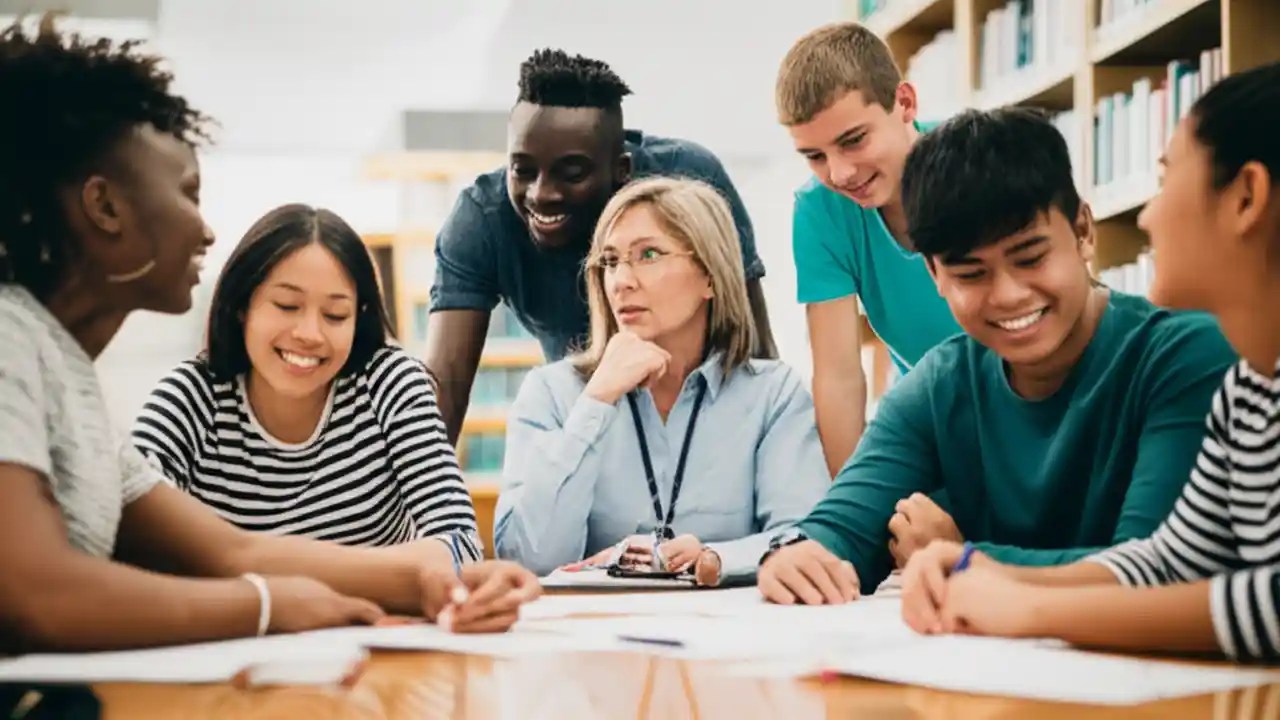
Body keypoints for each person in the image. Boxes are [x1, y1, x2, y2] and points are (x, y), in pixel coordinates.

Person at [0, 17, 536, 653]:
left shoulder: (67, 379)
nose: (205, 229)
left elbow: (233, 550)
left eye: (335, 314)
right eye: (188, 192)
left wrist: (430, 581)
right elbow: (37, 596)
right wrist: (266, 606)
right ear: (105, 206)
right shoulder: (11, 338)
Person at [757, 106, 1237, 606]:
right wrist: (796, 556)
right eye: (971, 274)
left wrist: (967, 558)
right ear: (935, 275)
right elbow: (836, 532)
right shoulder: (938, 384)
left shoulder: (1182, 359)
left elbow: (1153, 570)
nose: (1008, 295)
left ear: (1083, 232)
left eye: (1031, 258)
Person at [899, 62, 1280, 662]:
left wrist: (1030, 611)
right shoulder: (1250, 390)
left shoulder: (1197, 362)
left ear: (1246, 197)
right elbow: (1171, 562)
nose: (1147, 216)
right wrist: (981, 569)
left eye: (1166, 178)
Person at [427, 49, 775, 445]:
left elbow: (754, 346)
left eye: (572, 173)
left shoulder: (688, 181)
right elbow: (443, 396)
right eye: (523, 170)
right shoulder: (482, 222)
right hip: (585, 426)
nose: (541, 194)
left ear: (622, 170)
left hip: (705, 429)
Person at [493, 177, 827, 586]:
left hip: (728, 623)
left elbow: (801, 537)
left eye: (648, 255)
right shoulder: (552, 393)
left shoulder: (774, 395)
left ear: (710, 275)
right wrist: (596, 402)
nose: (621, 281)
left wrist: (714, 559)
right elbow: (527, 559)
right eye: (610, 261)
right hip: (597, 624)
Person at [132, 204, 481, 564]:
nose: (310, 334)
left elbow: (460, 542)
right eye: (286, 306)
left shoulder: (389, 384)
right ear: (241, 306)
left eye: (335, 315)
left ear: (358, 319)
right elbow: (125, 528)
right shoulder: (191, 398)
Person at [776, 22, 961, 475]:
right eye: (815, 156)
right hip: (936, 427)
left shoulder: (975, 160)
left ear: (905, 103)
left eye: (854, 140)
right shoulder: (819, 211)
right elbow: (838, 377)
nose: (839, 174)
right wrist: (851, 501)